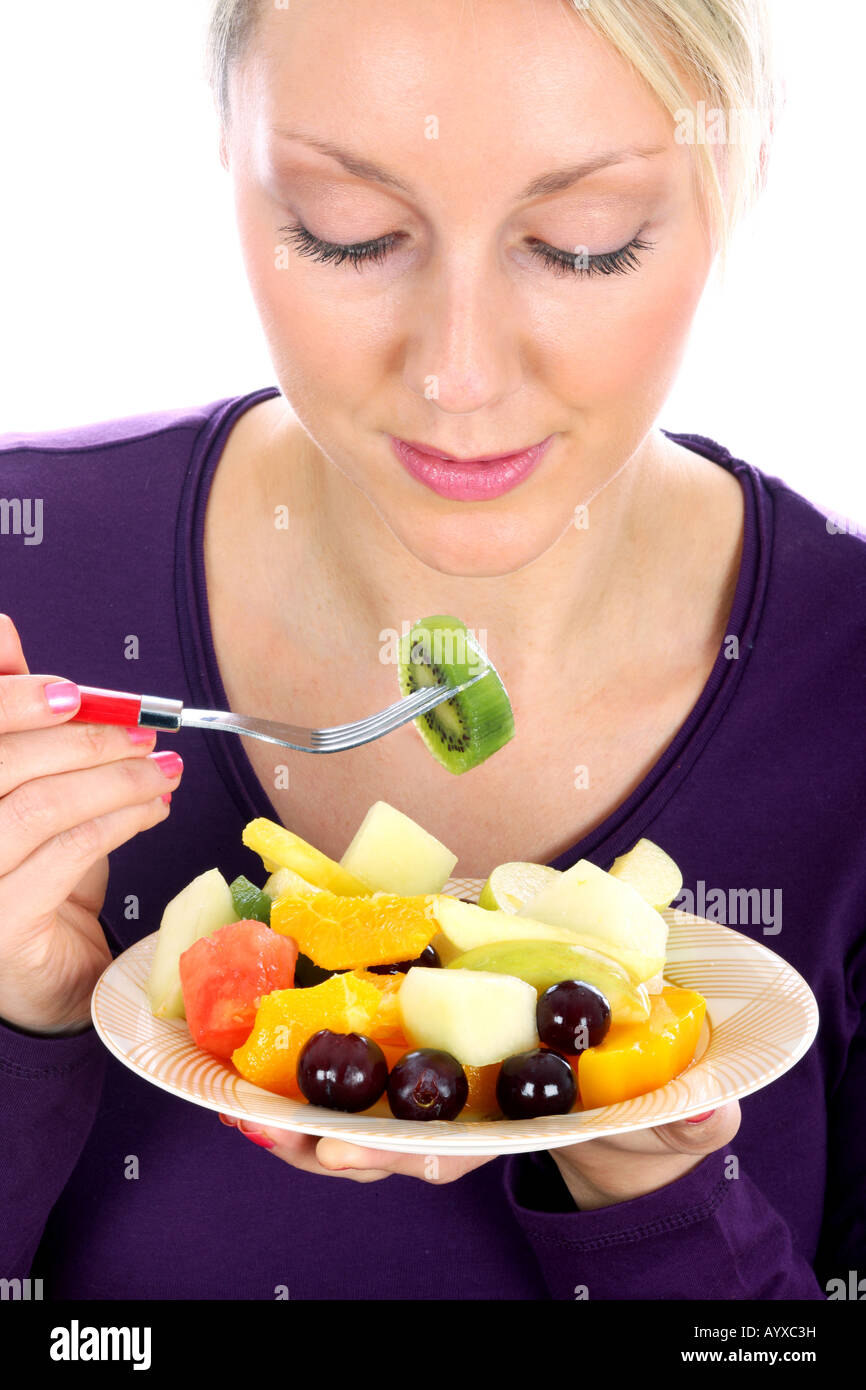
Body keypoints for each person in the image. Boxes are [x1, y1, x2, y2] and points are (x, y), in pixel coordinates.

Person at [0, 0, 862, 1300]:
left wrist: (661, 1200)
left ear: (741, 171)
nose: (458, 376)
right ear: (224, 165)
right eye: (345, 233)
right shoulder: (28, 572)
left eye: (583, 247)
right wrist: (18, 1031)